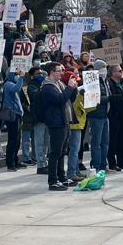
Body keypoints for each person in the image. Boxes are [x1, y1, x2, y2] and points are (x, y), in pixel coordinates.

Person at [41, 63, 79, 191]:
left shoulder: (59, 85)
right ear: (52, 72)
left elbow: (69, 100)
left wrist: (73, 89)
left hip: (64, 120)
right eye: (59, 71)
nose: (61, 73)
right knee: (55, 152)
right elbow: (60, 99)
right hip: (55, 121)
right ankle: (53, 180)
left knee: (62, 152)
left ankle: (62, 177)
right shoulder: (48, 87)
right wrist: (68, 87)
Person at [107, 63, 123, 171]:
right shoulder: (110, 83)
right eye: (120, 71)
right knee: (113, 140)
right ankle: (112, 163)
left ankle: (122, 161)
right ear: (113, 73)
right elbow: (111, 97)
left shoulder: (121, 82)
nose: (122, 73)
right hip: (115, 115)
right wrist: (118, 97)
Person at [86, 60, 110, 173]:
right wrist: (110, 98)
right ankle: (96, 165)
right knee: (97, 143)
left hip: (105, 114)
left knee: (105, 142)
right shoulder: (93, 81)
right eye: (103, 67)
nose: (104, 69)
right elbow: (95, 98)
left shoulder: (105, 81)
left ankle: (103, 164)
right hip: (96, 115)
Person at [2, 68, 26, 171]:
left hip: (17, 114)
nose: (17, 75)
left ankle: (15, 160)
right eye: (16, 74)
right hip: (12, 115)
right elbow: (17, 88)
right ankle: (10, 163)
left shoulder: (13, 83)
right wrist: (21, 77)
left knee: (17, 139)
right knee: (12, 139)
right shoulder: (8, 84)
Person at [28, 66, 49, 175]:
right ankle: (40, 164)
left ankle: (45, 162)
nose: (40, 76)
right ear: (32, 76)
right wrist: (42, 87)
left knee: (46, 142)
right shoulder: (32, 86)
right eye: (38, 74)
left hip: (47, 117)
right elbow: (35, 97)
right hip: (38, 117)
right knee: (39, 142)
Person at [67, 76, 86, 182]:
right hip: (74, 124)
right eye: (75, 81)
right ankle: (71, 172)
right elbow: (73, 104)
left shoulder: (74, 91)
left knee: (76, 149)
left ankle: (76, 170)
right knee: (74, 149)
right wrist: (80, 95)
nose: (77, 83)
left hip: (79, 124)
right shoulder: (70, 92)